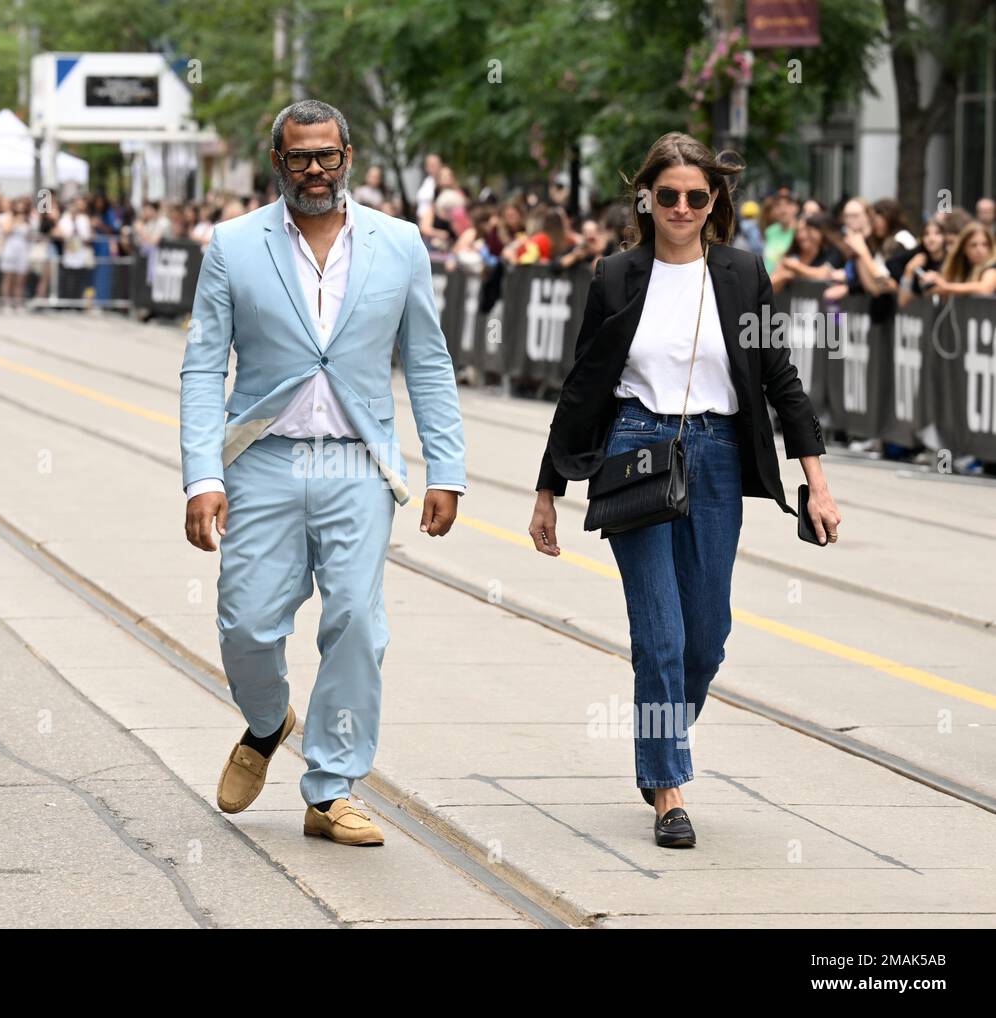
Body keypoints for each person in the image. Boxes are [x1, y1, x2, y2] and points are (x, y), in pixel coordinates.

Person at [528, 132, 840, 848]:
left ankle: (656, 742)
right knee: (661, 638)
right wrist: (549, 490)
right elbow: (582, 390)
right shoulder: (615, 275)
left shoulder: (742, 274)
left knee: (707, 640)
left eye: (696, 196)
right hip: (638, 448)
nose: (680, 207)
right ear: (646, 198)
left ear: (714, 202)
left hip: (719, 455)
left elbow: (781, 380)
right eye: (666, 195)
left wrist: (815, 483)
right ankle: (668, 788)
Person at [180, 99, 466, 846]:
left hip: (357, 463)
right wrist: (200, 476)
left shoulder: (399, 244)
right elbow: (204, 365)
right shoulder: (232, 244)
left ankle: (331, 788)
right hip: (262, 463)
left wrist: (448, 468)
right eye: (300, 156)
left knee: (356, 626)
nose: (315, 169)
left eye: (328, 155)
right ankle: (269, 723)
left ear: (349, 157)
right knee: (245, 626)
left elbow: (428, 361)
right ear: (277, 161)